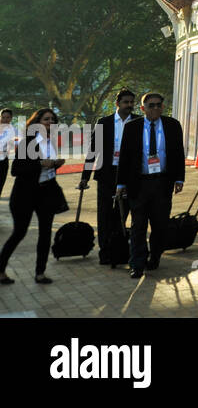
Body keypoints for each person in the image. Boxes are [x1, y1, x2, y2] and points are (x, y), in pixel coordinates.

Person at [115, 93, 185, 278]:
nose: (155, 109)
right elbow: (125, 157)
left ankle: (154, 256)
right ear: (142, 108)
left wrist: (180, 179)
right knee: (138, 225)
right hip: (139, 184)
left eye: (158, 105)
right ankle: (136, 264)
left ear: (163, 107)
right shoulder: (132, 127)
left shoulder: (172, 125)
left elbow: (178, 153)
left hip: (162, 183)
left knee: (160, 225)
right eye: (151, 105)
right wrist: (120, 183)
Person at [0, 109, 68, 285]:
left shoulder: (51, 141)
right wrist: (40, 163)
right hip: (25, 194)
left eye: (53, 119)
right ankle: (0, 270)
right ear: (36, 122)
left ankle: (40, 273)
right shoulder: (28, 142)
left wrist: (55, 164)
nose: (49, 122)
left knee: (46, 234)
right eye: (46, 119)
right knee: (19, 232)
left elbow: (48, 168)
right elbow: (16, 170)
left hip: (46, 193)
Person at [78, 90, 138, 265]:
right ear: (117, 103)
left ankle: (118, 249)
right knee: (104, 214)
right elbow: (93, 151)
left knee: (122, 212)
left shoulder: (138, 122)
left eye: (131, 102)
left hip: (128, 176)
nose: (129, 105)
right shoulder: (104, 123)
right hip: (106, 174)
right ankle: (104, 251)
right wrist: (85, 177)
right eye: (126, 102)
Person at [0, 108, 16, 199]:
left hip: (3, 161)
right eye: (3, 117)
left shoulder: (12, 130)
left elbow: (11, 145)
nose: (5, 119)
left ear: (11, 118)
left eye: (8, 117)